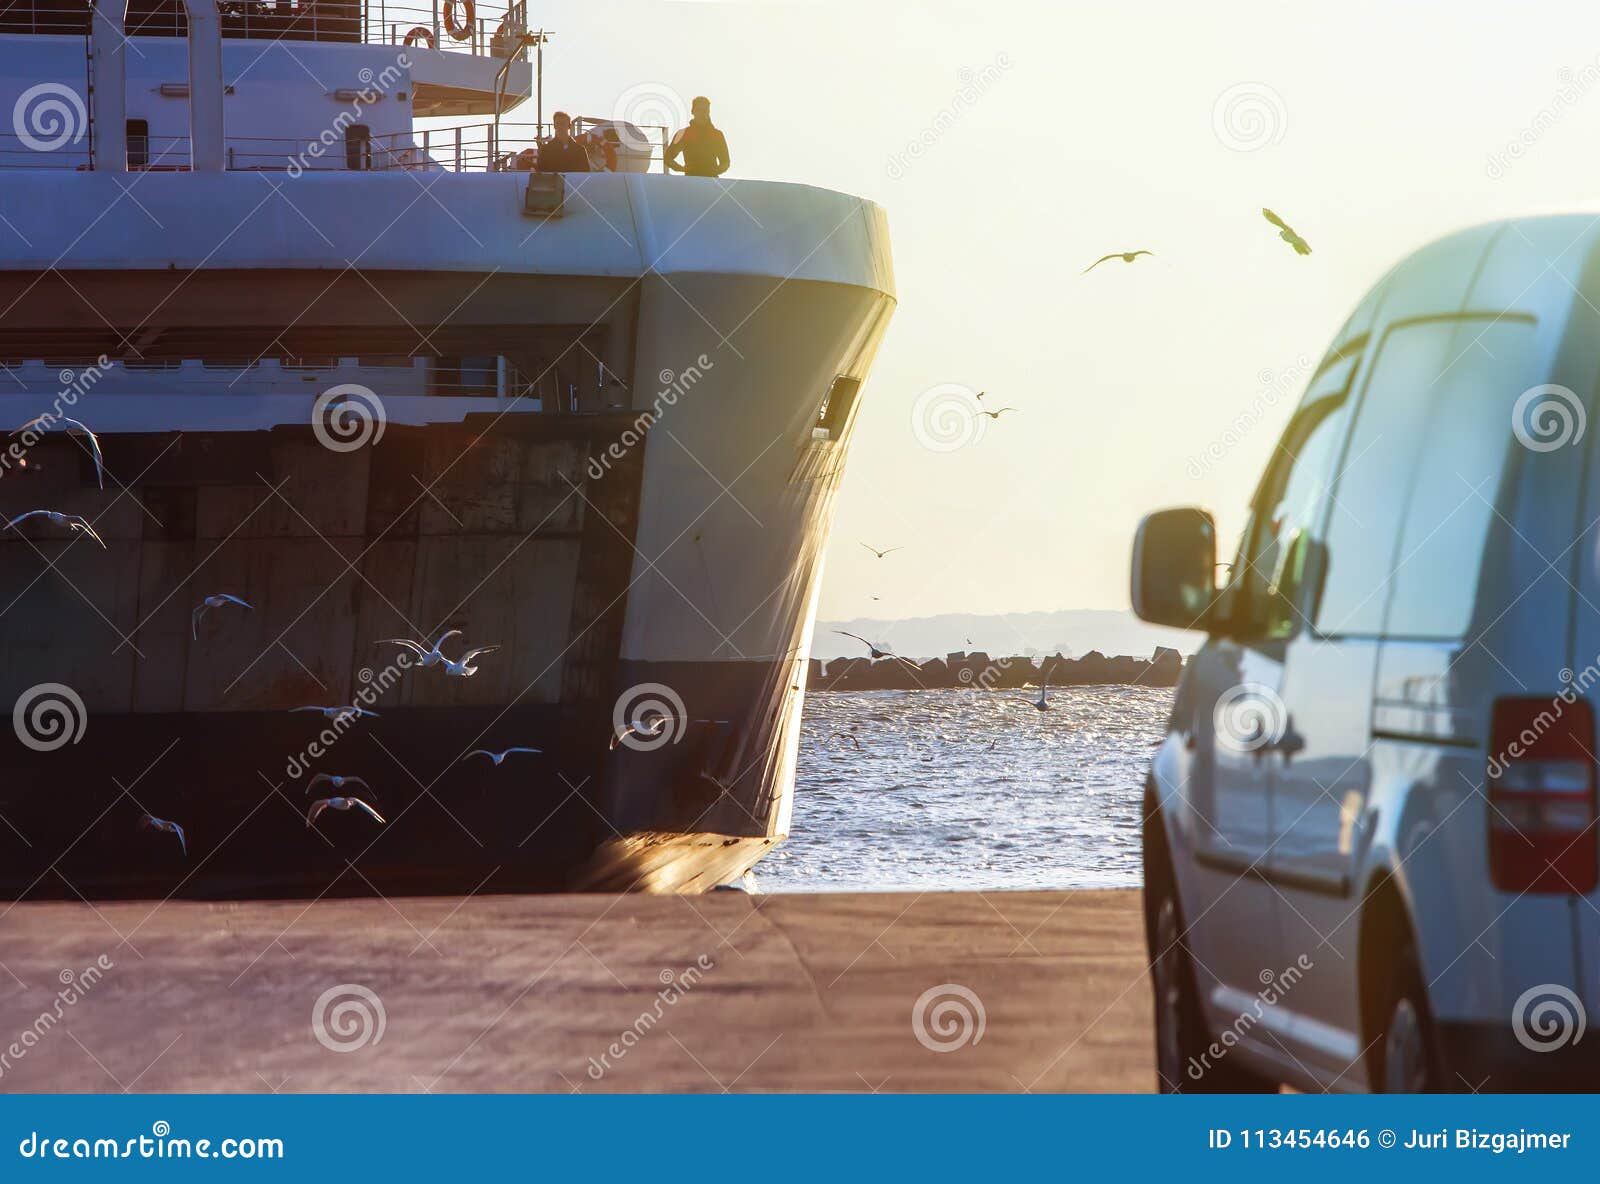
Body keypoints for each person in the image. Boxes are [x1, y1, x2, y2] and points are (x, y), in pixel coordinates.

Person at [664, 96, 730, 178]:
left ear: (709, 112)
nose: (702, 113)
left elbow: (725, 162)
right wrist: (682, 169)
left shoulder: (717, 135)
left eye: (705, 110)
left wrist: (714, 170)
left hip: (712, 181)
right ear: (693, 111)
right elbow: (668, 158)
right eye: (699, 110)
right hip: (691, 181)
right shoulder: (683, 134)